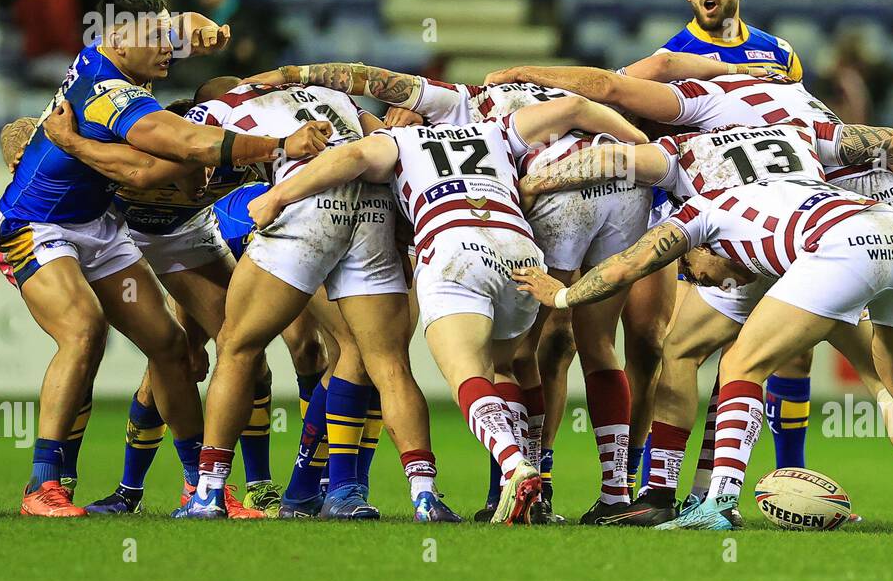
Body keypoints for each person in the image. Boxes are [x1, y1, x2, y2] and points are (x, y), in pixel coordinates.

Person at [0, 0, 331, 516]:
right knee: (83, 330)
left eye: (169, 36)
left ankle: (201, 487)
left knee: (172, 349)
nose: (168, 48)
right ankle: (42, 485)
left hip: (101, 226)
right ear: (120, 39)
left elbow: (179, 29)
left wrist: (200, 26)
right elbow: (158, 161)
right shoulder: (111, 96)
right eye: (159, 39)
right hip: (35, 224)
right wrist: (281, 146)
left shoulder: (126, 50)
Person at [245, 93, 648, 524]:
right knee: (509, 365)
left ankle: (514, 464)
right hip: (519, 249)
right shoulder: (494, 130)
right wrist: (639, 142)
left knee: (467, 374)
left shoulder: (399, 140)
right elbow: (574, 108)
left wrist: (278, 197)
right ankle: (529, 482)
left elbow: (356, 154)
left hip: (454, 246)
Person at [512, 175, 893, 535]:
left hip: (841, 249)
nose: (701, 282)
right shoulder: (769, 196)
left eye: (693, 273)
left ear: (697, 248)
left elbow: (630, 264)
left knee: (741, 364)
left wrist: (561, 297)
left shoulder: (700, 214)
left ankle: (718, 504)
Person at [169, 78, 417, 520]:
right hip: (375, 204)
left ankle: (208, 492)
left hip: (302, 202)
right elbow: (386, 139)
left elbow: (186, 155)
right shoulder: (334, 96)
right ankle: (348, 491)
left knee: (238, 346)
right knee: (365, 351)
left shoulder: (218, 109)